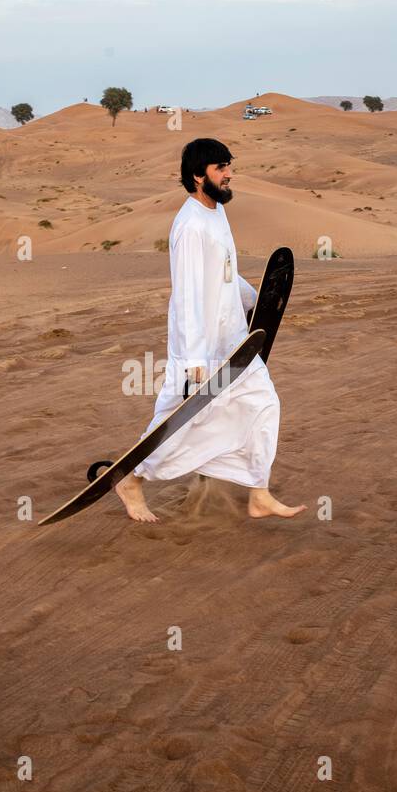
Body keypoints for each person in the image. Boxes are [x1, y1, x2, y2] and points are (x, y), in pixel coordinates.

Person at [114, 138, 305, 522]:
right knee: (185, 420)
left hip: (233, 341)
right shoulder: (189, 226)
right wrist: (196, 362)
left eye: (229, 166)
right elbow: (187, 297)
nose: (229, 174)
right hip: (200, 348)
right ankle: (132, 480)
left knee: (263, 404)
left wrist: (252, 299)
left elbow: (224, 273)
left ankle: (259, 491)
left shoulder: (216, 212)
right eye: (221, 168)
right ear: (199, 175)